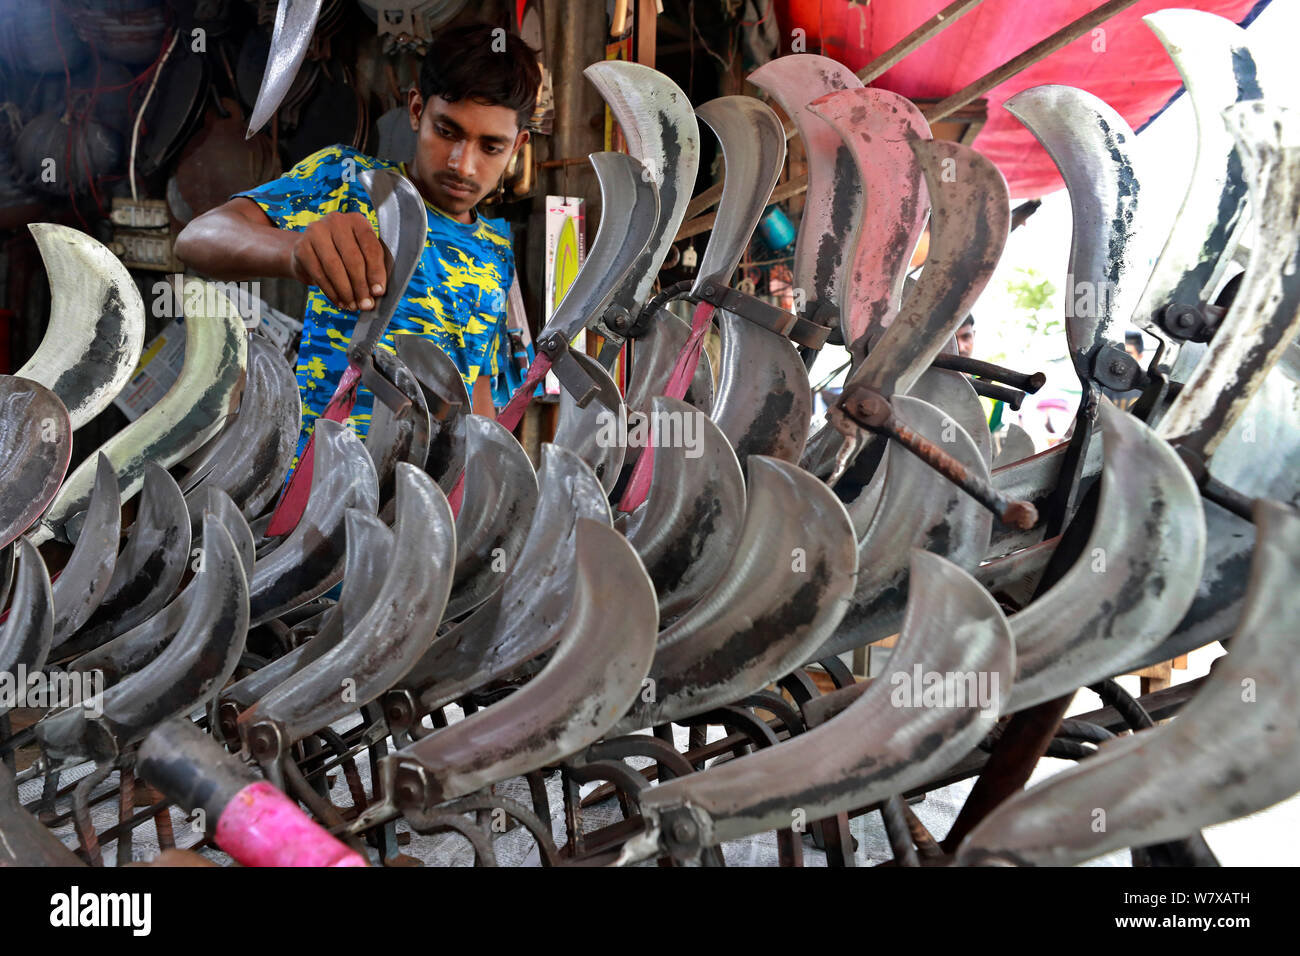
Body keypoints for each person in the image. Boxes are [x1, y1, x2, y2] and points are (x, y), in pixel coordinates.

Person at [174, 22, 541, 477]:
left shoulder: (495, 251)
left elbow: (477, 383)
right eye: (447, 130)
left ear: (518, 146)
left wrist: (480, 488)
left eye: (491, 146)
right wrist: (293, 251)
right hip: (316, 481)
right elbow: (198, 238)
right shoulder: (350, 180)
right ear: (416, 109)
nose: (461, 164)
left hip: (421, 496)